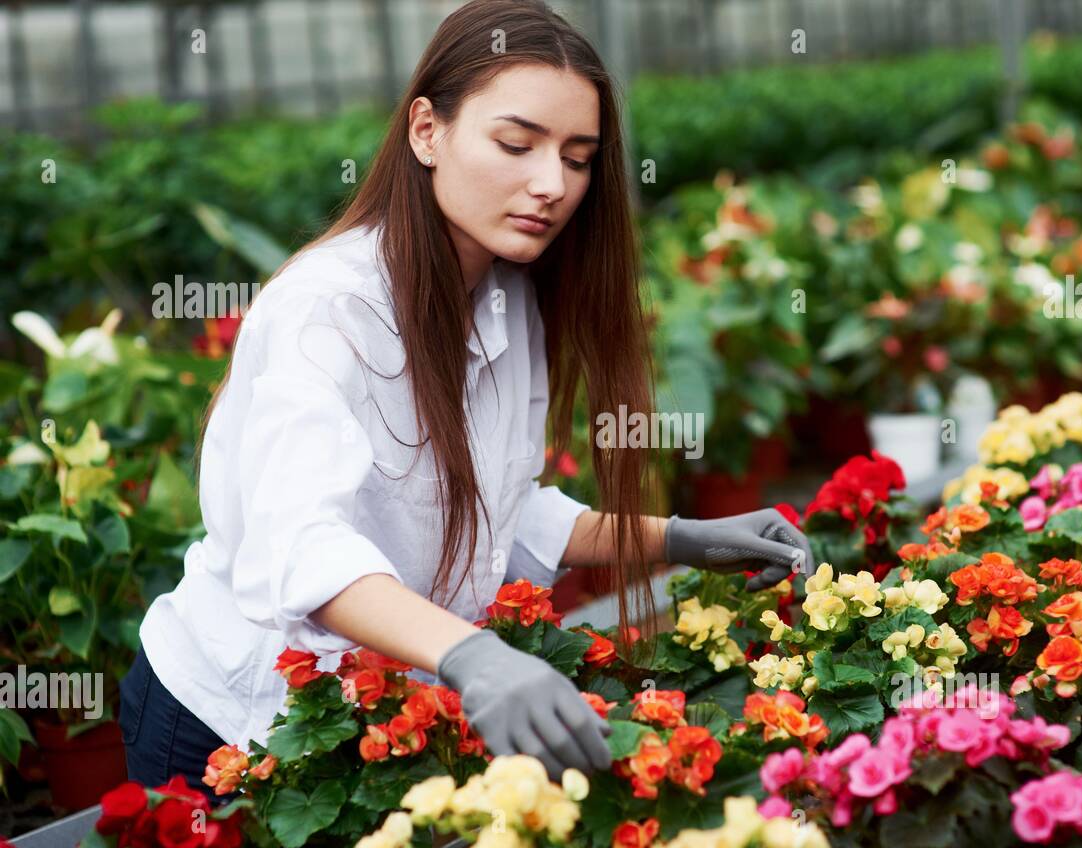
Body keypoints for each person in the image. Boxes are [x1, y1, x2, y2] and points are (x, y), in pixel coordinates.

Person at [120, 0, 809, 795]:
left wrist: (682, 537)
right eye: (516, 143)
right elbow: (301, 548)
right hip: (226, 722)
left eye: (579, 158)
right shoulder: (331, 307)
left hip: (375, 710)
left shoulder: (507, 295)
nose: (551, 183)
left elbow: (500, 511)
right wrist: (471, 654)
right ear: (426, 131)